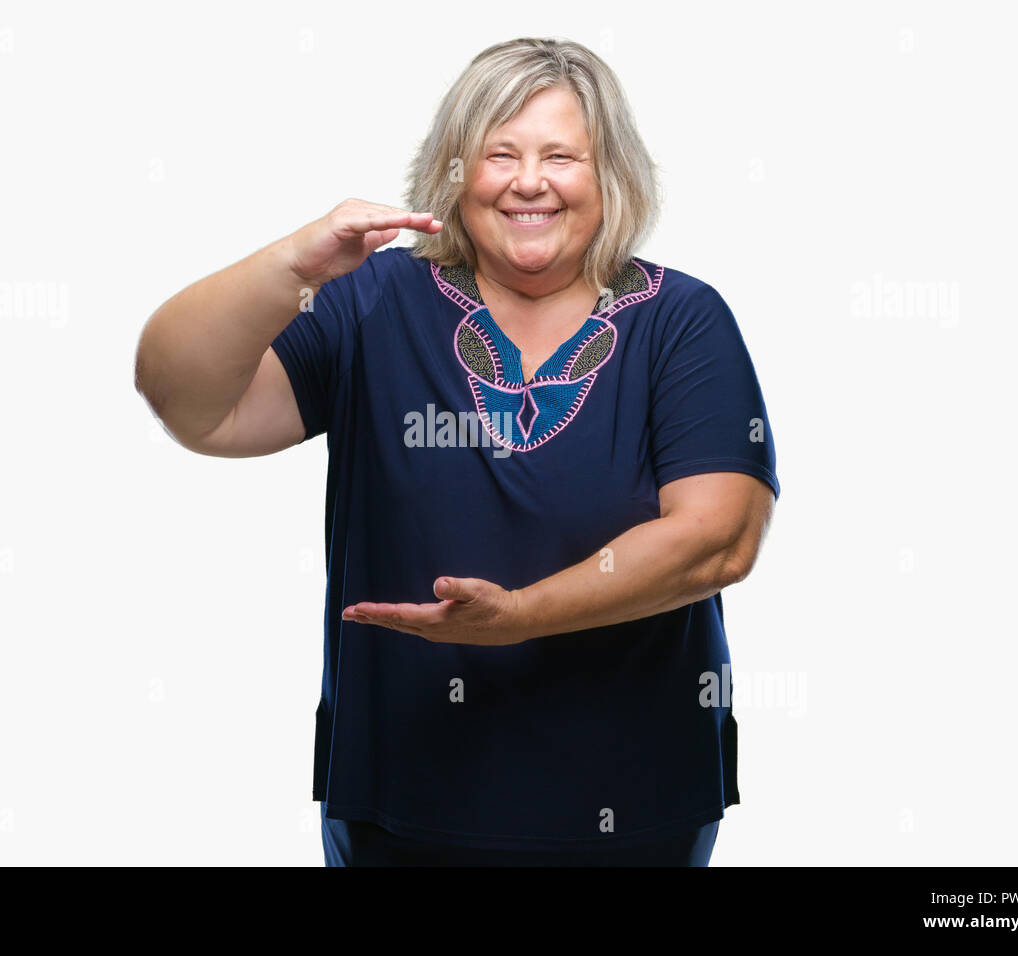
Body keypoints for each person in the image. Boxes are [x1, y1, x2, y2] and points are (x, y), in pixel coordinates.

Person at [134, 37, 779, 866]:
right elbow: (185, 401)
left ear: (611, 173)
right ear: (453, 171)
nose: (529, 180)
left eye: (561, 155)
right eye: (499, 153)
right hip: (402, 801)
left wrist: (517, 618)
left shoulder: (681, 320)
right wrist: (290, 266)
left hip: (631, 802)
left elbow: (718, 540)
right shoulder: (374, 299)